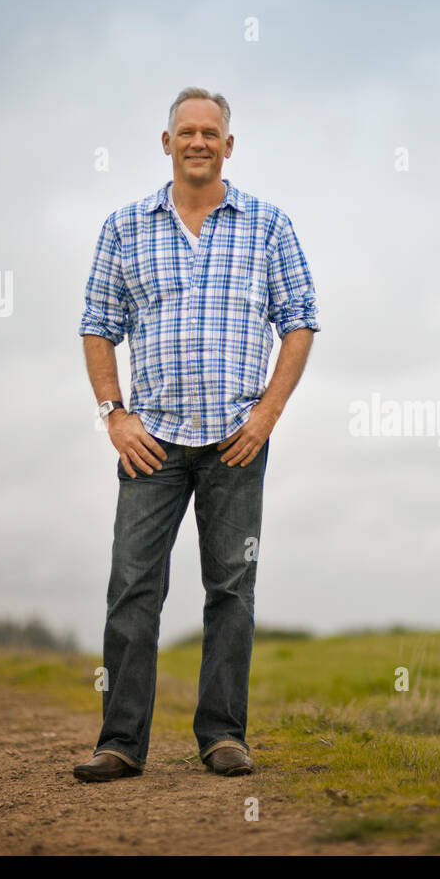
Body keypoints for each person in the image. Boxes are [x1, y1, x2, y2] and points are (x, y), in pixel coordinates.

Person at [73, 86, 319, 780]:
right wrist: (113, 416)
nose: (199, 142)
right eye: (187, 131)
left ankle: (222, 736)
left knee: (232, 591)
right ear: (167, 142)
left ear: (229, 146)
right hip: (150, 443)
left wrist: (267, 414)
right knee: (132, 589)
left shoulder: (268, 225)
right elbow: (97, 326)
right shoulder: (125, 227)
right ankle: (120, 743)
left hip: (236, 442)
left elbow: (300, 322)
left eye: (212, 132)